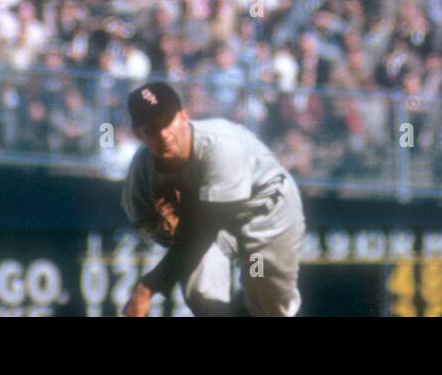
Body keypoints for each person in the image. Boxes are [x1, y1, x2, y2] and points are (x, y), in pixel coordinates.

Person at [120, 82, 305, 317]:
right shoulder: (143, 171)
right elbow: (141, 224)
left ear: (184, 116)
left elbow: (200, 232)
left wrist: (146, 289)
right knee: (201, 292)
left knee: (262, 288)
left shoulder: (222, 146)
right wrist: (162, 231)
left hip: (263, 219)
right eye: (151, 129)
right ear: (139, 135)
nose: (163, 134)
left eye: (167, 122)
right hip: (208, 230)